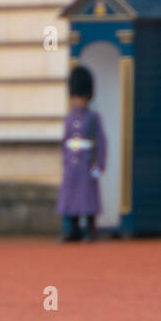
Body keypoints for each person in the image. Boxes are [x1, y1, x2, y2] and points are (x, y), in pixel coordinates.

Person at [57, 64, 107, 242]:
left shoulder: (93, 118)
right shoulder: (69, 117)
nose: (78, 100)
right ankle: (74, 229)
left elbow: (101, 142)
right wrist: (65, 160)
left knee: (88, 199)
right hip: (72, 163)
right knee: (71, 198)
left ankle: (91, 230)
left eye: (80, 96)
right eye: (76, 96)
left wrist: (99, 164)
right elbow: (65, 140)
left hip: (87, 162)